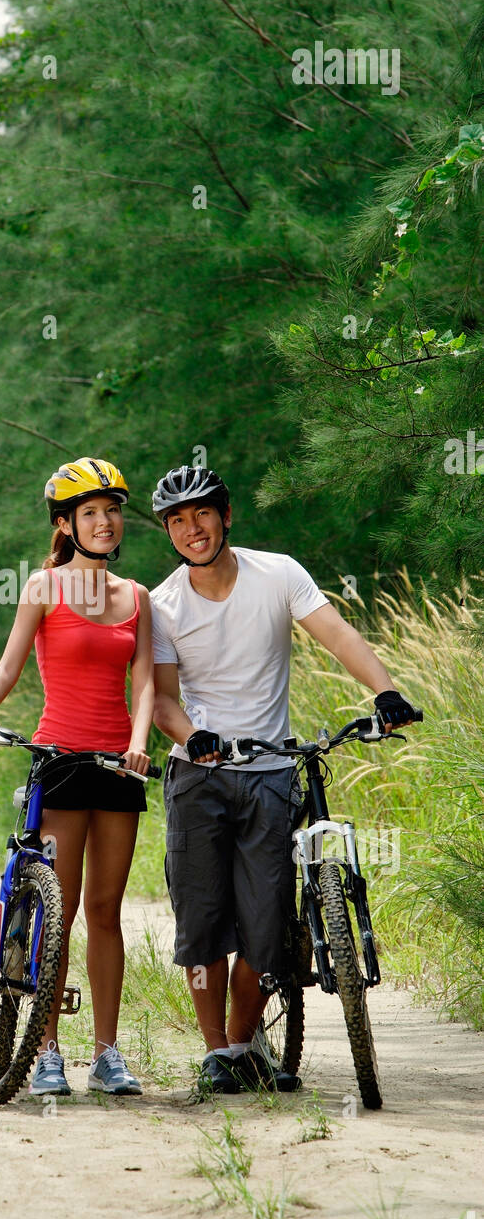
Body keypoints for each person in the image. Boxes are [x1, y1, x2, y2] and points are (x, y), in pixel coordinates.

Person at [149, 464, 419, 1097]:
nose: (193, 529)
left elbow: (335, 633)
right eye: (178, 521)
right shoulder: (162, 605)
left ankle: (243, 1046)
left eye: (203, 514)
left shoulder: (279, 573)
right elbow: (161, 702)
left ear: (226, 515)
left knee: (266, 925)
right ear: (168, 532)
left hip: (271, 772)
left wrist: (385, 690)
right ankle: (219, 1053)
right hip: (199, 776)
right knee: (203, 925)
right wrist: (194, 738)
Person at [0, 458, 154, 1098]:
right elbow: (8, 668)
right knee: (56, 914)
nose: (105, 521)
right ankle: (47, 1051)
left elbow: (145, 682)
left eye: (112, 511)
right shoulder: (42, 587)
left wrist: (141, 745)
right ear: (66, 523)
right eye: (90, 512)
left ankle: (108, 1054)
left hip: (119, 764)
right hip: (60, 761)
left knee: (105, 911)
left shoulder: (137, 596)